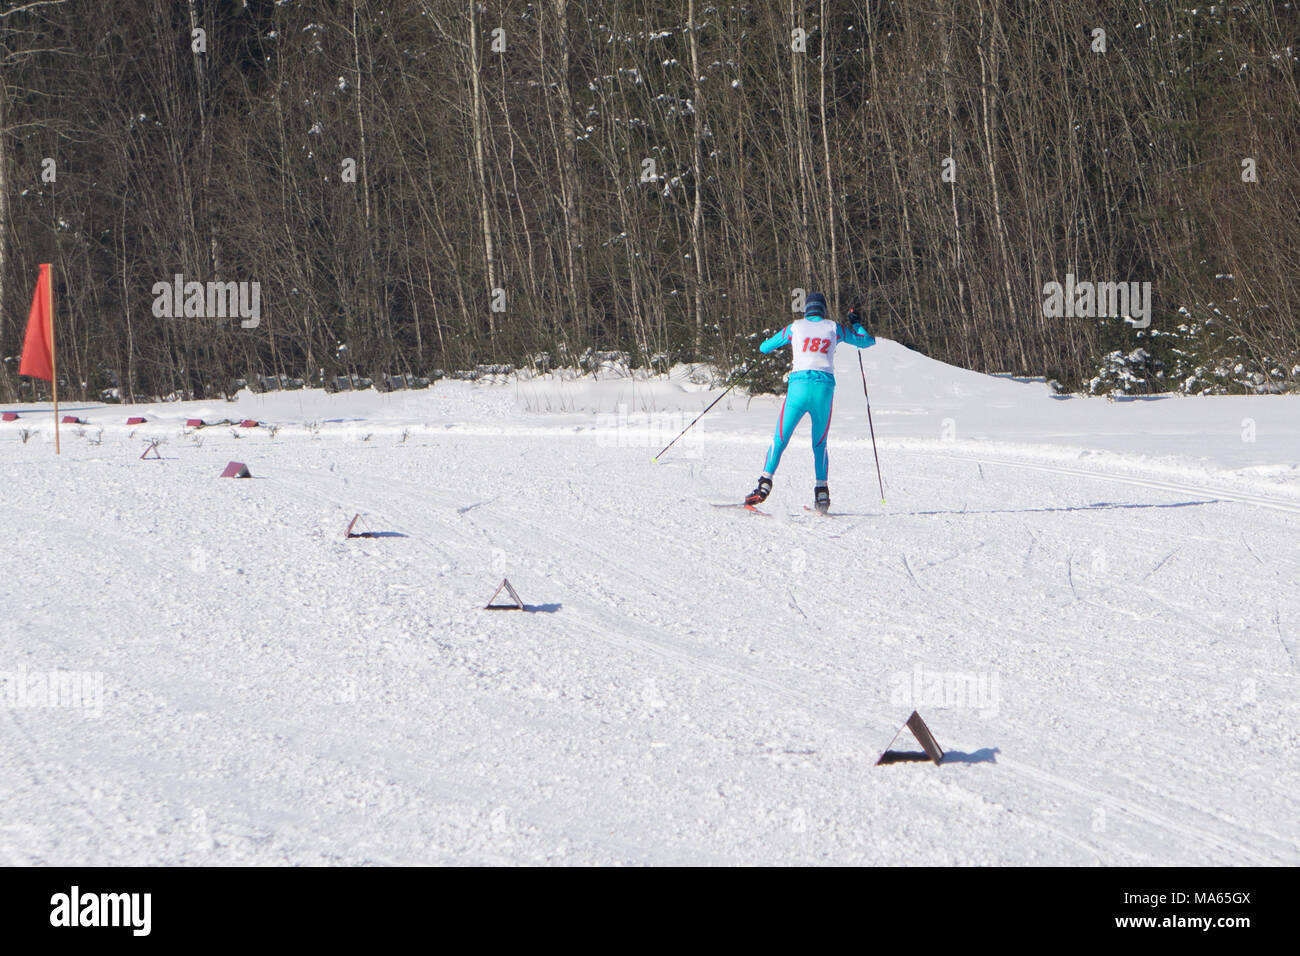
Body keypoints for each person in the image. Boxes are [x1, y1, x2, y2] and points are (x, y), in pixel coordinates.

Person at [744, 292, 875, 513]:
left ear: (807, 310)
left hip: (799, 388)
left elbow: (764, 347)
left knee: (781, 437)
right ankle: (821, 493)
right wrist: (856, 324)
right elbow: (866, 342)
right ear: (823, 310)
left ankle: (764, 484)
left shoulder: (795, 327)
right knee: (819, 443)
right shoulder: (834, 328)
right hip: (823, 389)